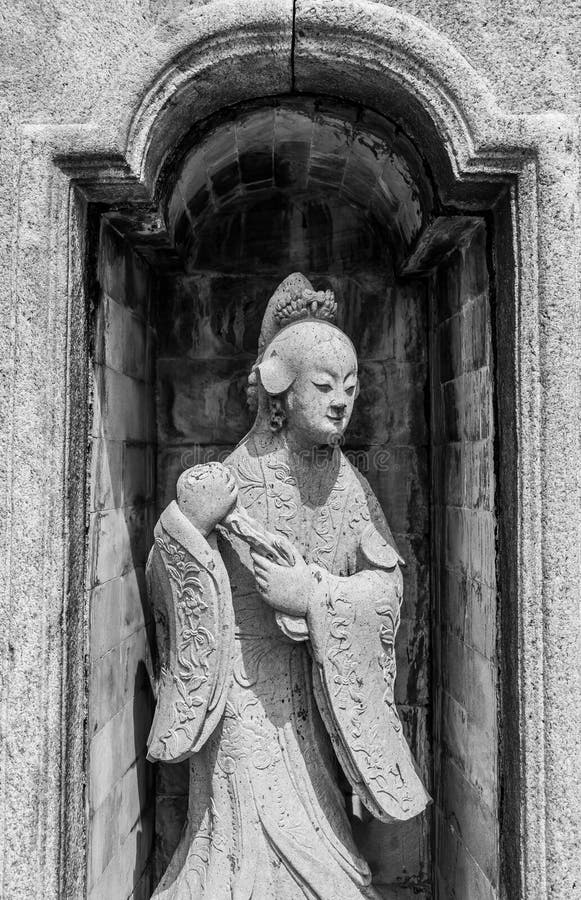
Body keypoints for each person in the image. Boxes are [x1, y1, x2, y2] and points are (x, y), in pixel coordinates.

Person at [148, 274, 430, 899]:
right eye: (324, 387)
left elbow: (388, 588)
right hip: (241, 693)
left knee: (332, 863)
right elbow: (163, 580)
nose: (340, 403)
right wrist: (189, 524)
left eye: (351, 389)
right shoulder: (230, 480)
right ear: (280, 394)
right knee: (237, 859)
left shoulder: (351, 487)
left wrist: (317, 598)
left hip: (315, 690)